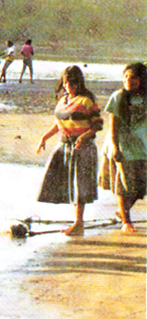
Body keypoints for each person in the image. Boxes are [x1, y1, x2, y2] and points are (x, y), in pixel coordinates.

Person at [36, 65, 102, 235]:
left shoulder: (85, 100)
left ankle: (78, 223)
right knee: (64, 182)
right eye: (66, 83)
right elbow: (59, 124)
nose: (68, 87)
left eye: (72, 83)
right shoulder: (63, 100)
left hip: (82, 147)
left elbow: (97, 124)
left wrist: (85, 136)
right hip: (65, 145)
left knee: (80, 184)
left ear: (79, 83)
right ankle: (76, 220)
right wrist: (45, 137)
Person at [99, 63, 147, 233]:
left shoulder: (145, 98)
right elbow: (113, 125)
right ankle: (126, 221)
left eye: (133, 77)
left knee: (142, 186)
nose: (129, 80)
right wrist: (114, 146)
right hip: (122, 145)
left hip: (141, 146)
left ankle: (122, 211)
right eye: (126, 77)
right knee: (124, 184)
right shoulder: (118, 97)